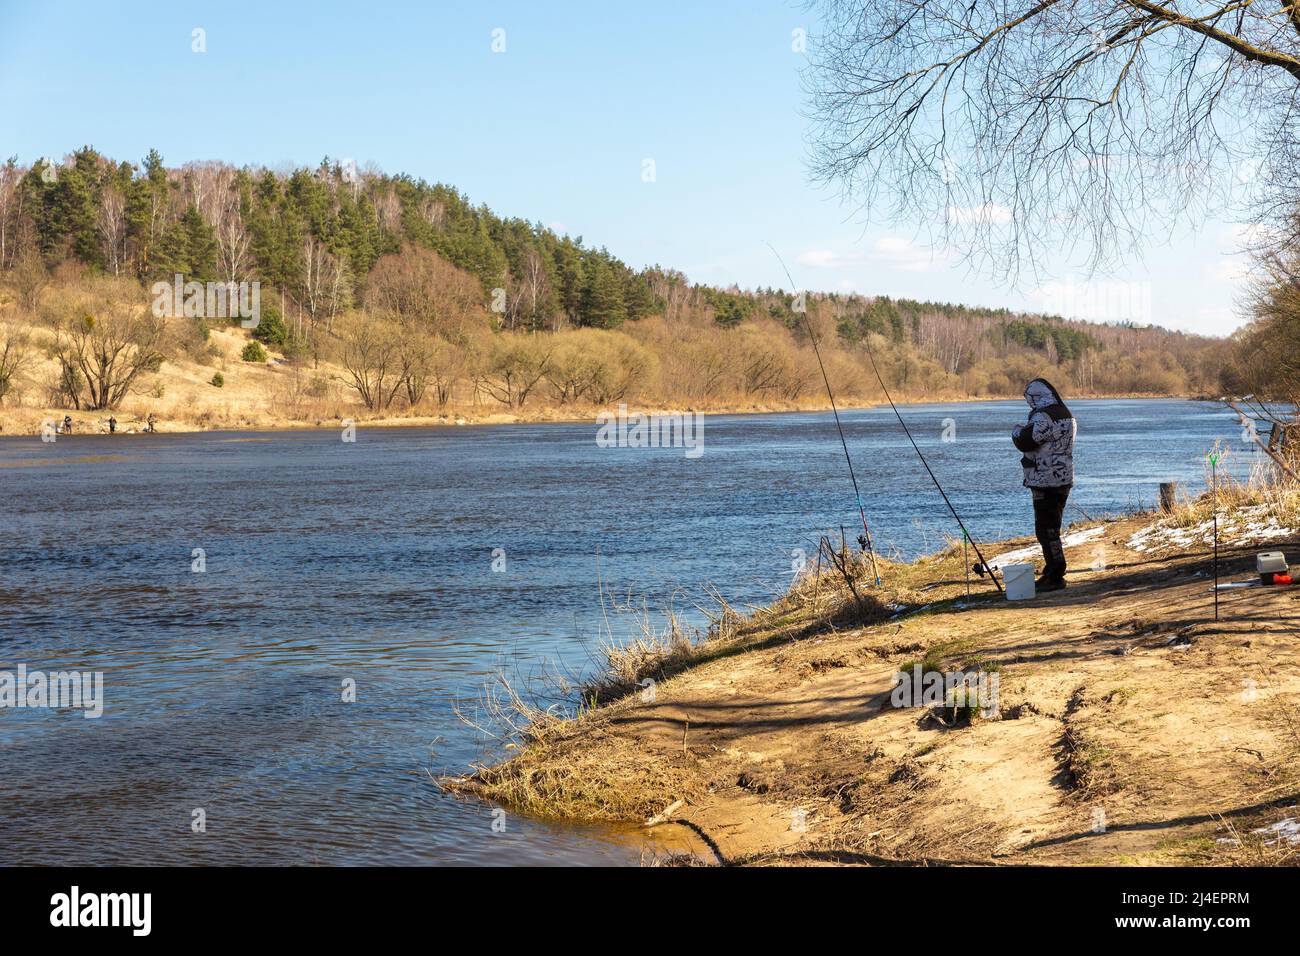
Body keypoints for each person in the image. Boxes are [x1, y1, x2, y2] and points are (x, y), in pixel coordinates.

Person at [1011, 378, 1076, 591]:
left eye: (1029, 398)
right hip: (1063, 477)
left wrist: (1016, 430)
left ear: (1036, 397)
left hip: (1044, 479)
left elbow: (1027, 441)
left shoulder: (1042, 416)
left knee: (1045, 529)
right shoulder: (1066, 413)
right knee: (1052, 527)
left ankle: (1055, 574)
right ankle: (1053, 571)